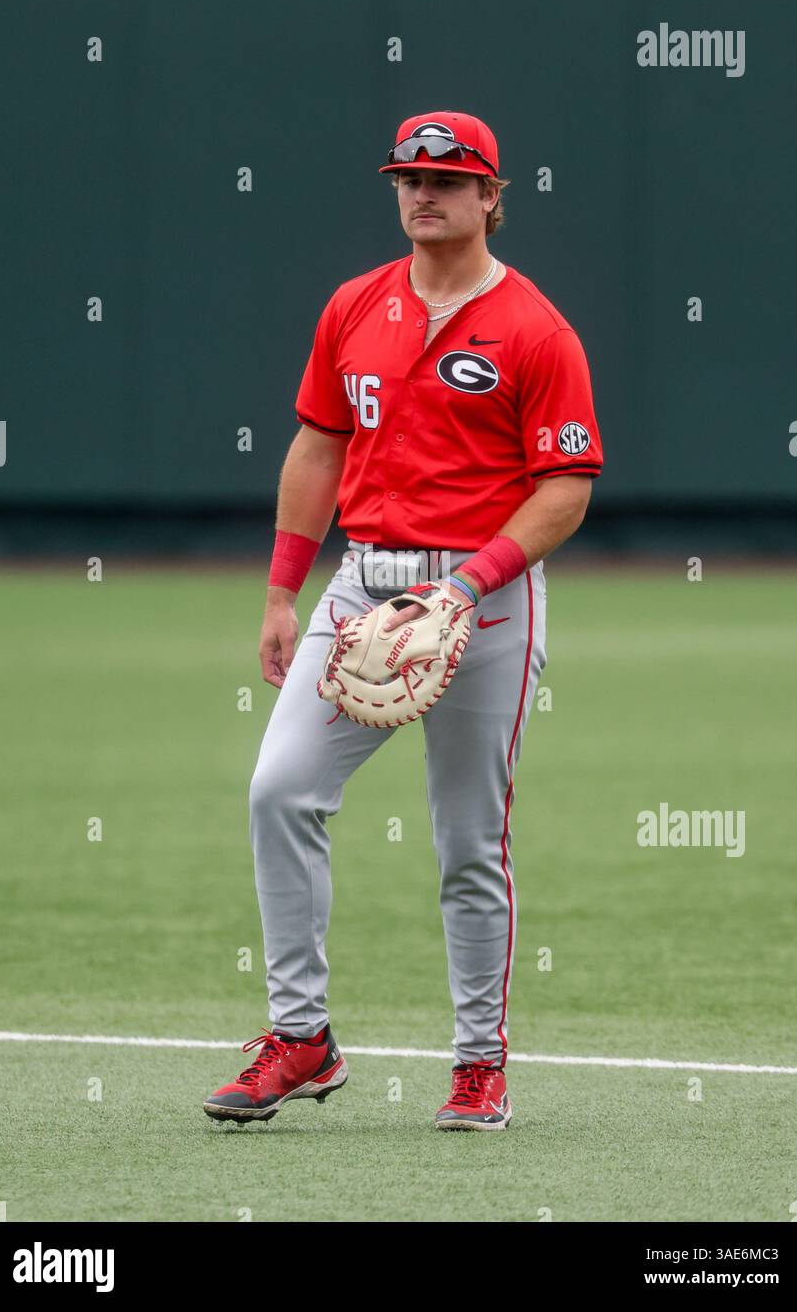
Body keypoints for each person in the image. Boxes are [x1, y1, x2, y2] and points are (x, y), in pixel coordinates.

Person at [204, 110, 603, 1131]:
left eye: (445, 179)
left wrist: (467, 588)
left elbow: (562, 490)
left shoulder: (534, 329)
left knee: (467, 839)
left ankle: (479, 1063)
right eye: (406, 178)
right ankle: (300, 1037)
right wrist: (283, 591)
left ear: (488, 197)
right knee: (278, 791)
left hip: (482, 601)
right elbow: (316, 448)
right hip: (359, 589)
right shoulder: (353, 305)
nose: (421, 194)